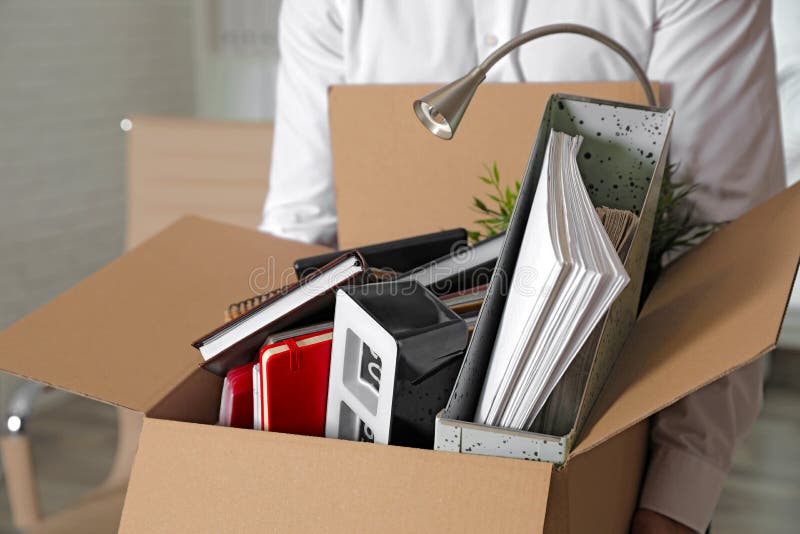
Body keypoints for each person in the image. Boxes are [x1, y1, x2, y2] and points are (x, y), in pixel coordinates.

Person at [260, 2, 785, 532]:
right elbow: (300, 228)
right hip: (376, 465)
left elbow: (723, 250)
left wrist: (676, 500)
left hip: (610, 463)